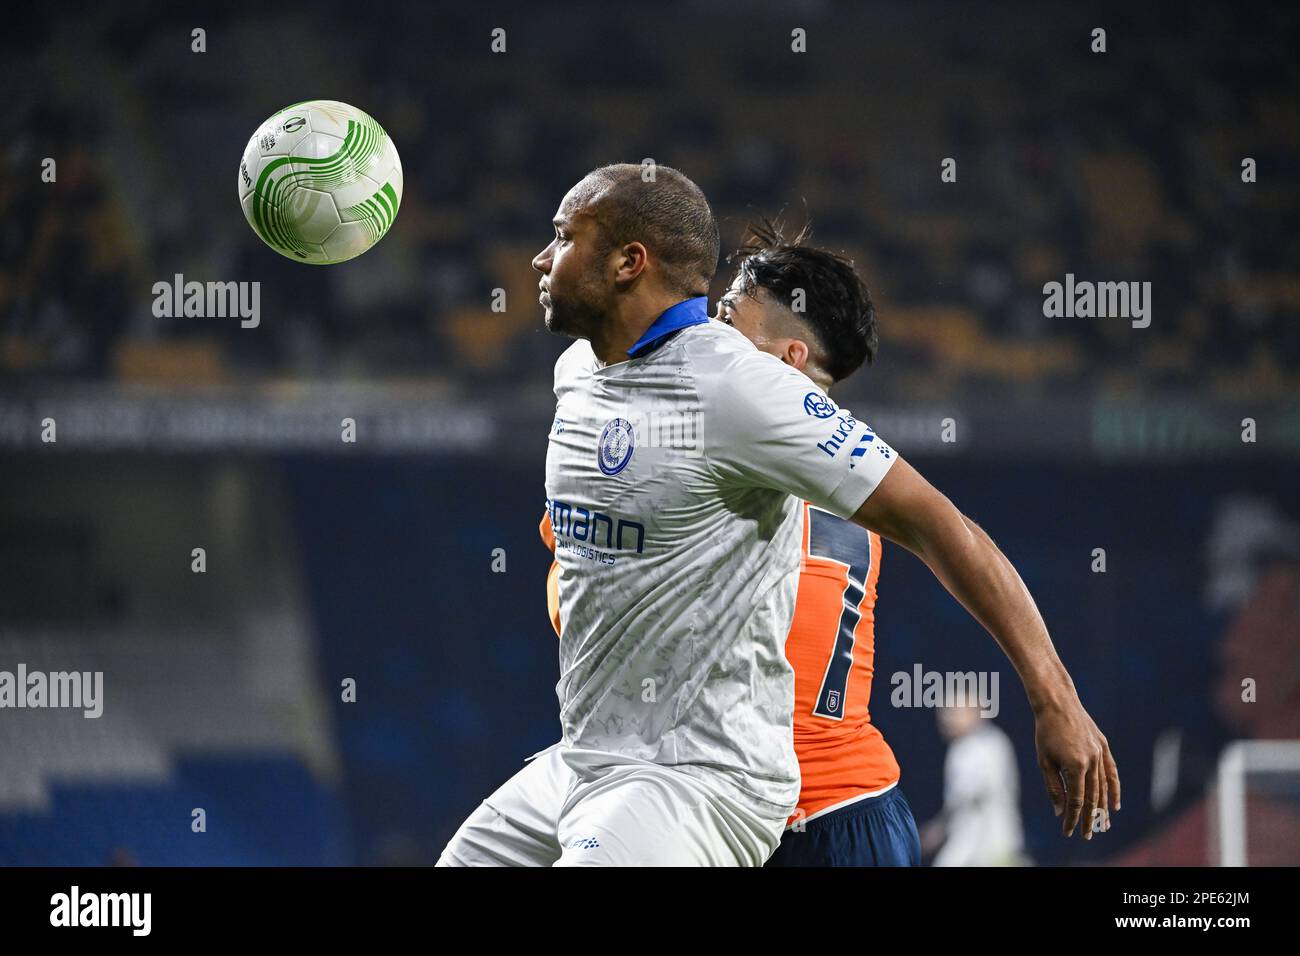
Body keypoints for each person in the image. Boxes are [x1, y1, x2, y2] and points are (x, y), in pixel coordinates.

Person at [438, 164, 1117, 867]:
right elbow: (581, 581)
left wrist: (1055, 697)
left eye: (731, 316)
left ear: (790, 362)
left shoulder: (751, 406)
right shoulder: (590, 377)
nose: (710, 321)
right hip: (604, 762)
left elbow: (939, 525)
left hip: (795, 805)